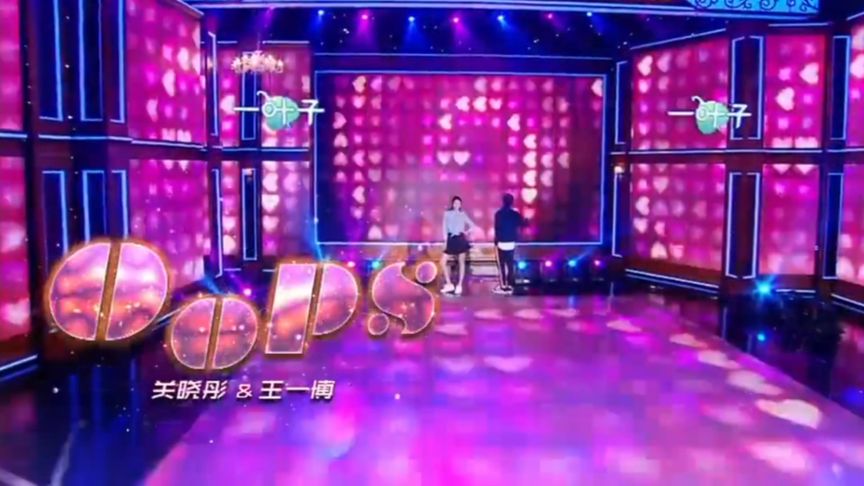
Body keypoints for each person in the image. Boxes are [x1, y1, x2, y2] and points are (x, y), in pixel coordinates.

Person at [441, 196, 480, 295]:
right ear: (452, 204)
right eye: (455, 203)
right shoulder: (447, 213)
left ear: (460, 204)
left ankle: (459, 285)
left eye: (459, 203)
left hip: (460, 239)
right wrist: (445, 241)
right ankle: (449, 284)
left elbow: (472, 225)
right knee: (443, 262)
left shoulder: (462, 214)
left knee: (461, 262)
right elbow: (444, 227)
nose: (457, 205)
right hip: (451, 239)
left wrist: (466, 232)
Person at [493, 193, 524, 295]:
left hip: (501, 242)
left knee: (501, 264)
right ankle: (510, 284)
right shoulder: (515, 214)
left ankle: (503, 286)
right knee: (510, 264)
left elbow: (497, 228)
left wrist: (496, 241)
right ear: (512, 202)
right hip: (511, 242)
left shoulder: (498, 214)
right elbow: (522, 224)